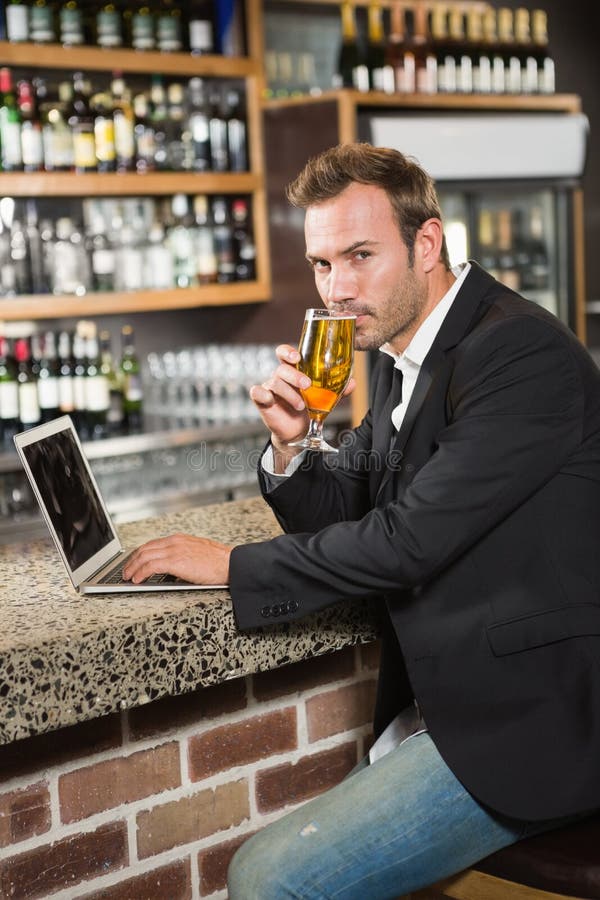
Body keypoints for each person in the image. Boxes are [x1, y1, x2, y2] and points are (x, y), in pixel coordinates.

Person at [123, 143, 600, 898]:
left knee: (266, 877)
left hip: (537, 724)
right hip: (453, 706)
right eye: (321, 264)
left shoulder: (516, 352)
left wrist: (234, 564)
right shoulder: (401, 348)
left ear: (427, 243)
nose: (337, 289)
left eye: (360, 255)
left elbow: (408, 542)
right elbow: (352, 504)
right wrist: (292, 444)